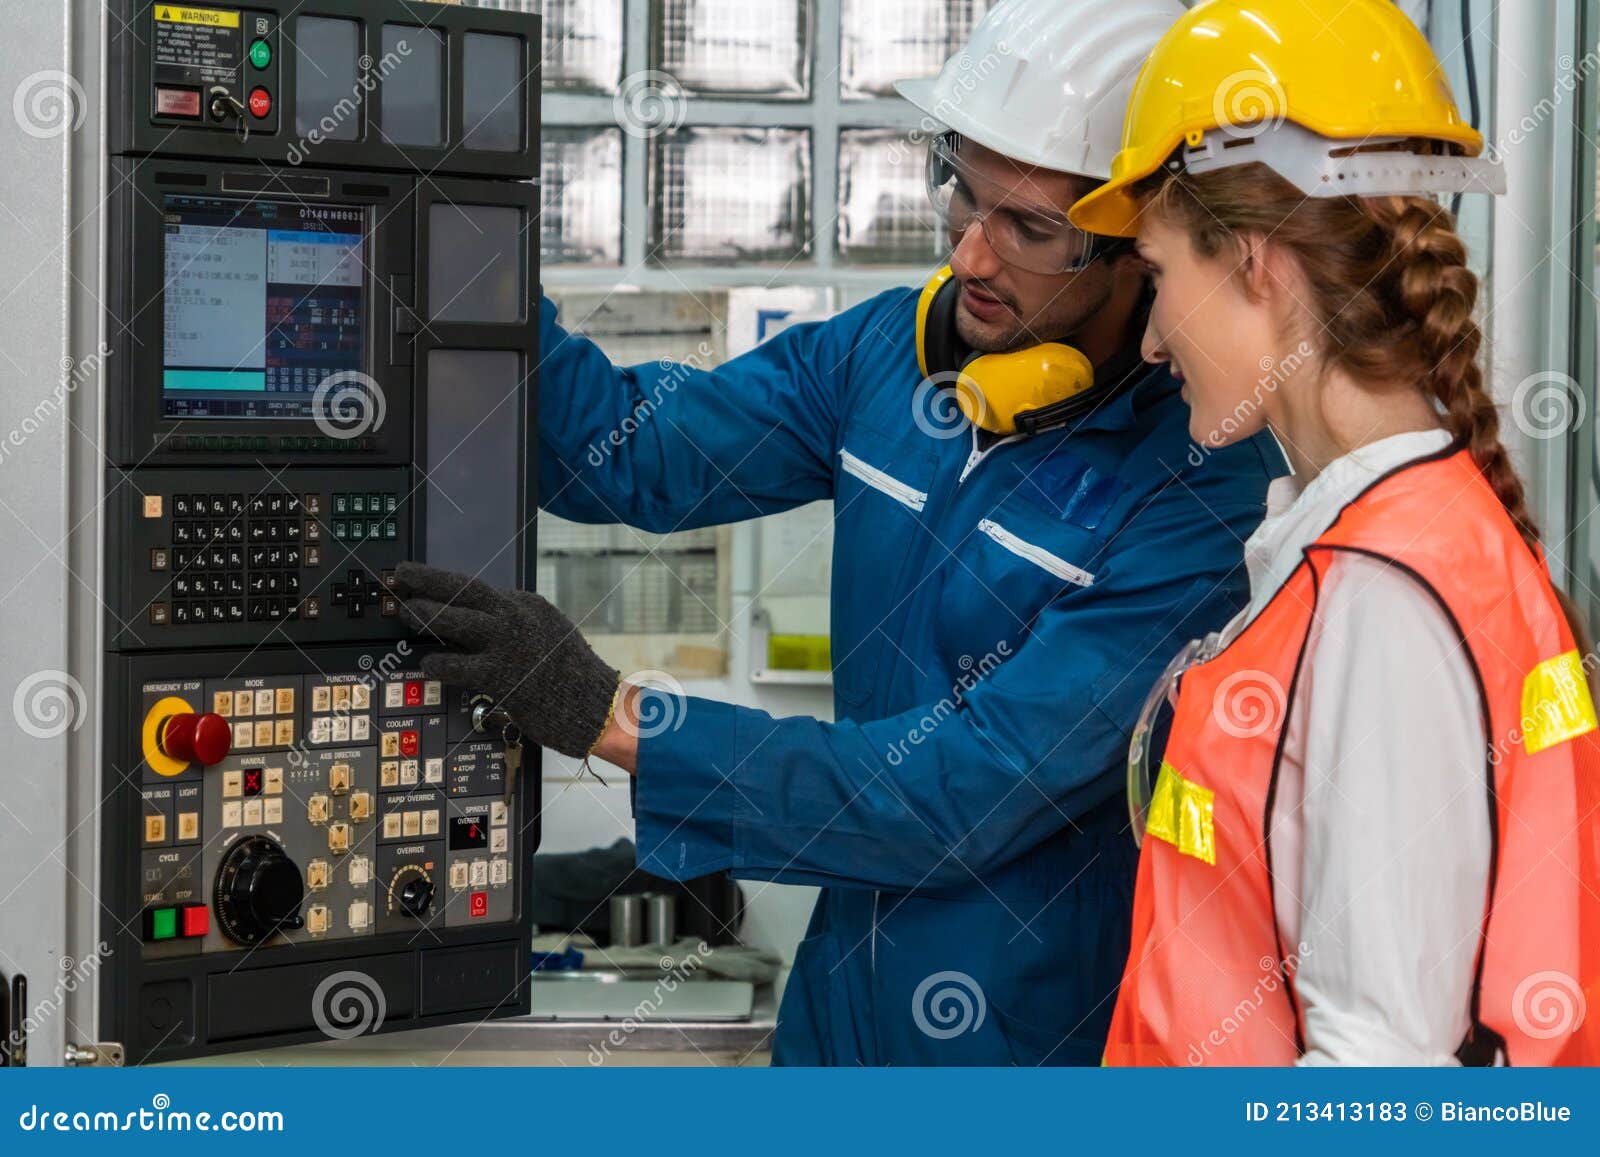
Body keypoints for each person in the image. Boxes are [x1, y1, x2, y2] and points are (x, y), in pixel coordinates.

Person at [396, 0, 1283, 1066]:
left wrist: (613, 715)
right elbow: (630, 451)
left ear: (1143, 247)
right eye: (960, 186)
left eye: (1029, 228)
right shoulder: (884, 359)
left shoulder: (1200, 494)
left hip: (1025, 1049)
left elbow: (957, 791)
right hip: (834, 1017)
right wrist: (460, 235)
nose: (968, 254)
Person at [1068, 0, 1600, 1065]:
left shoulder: (1383, 592)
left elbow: (1381, 1074)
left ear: (1254, 262)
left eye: (1159, 275)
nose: (1153, 337)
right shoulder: (1393, 538)